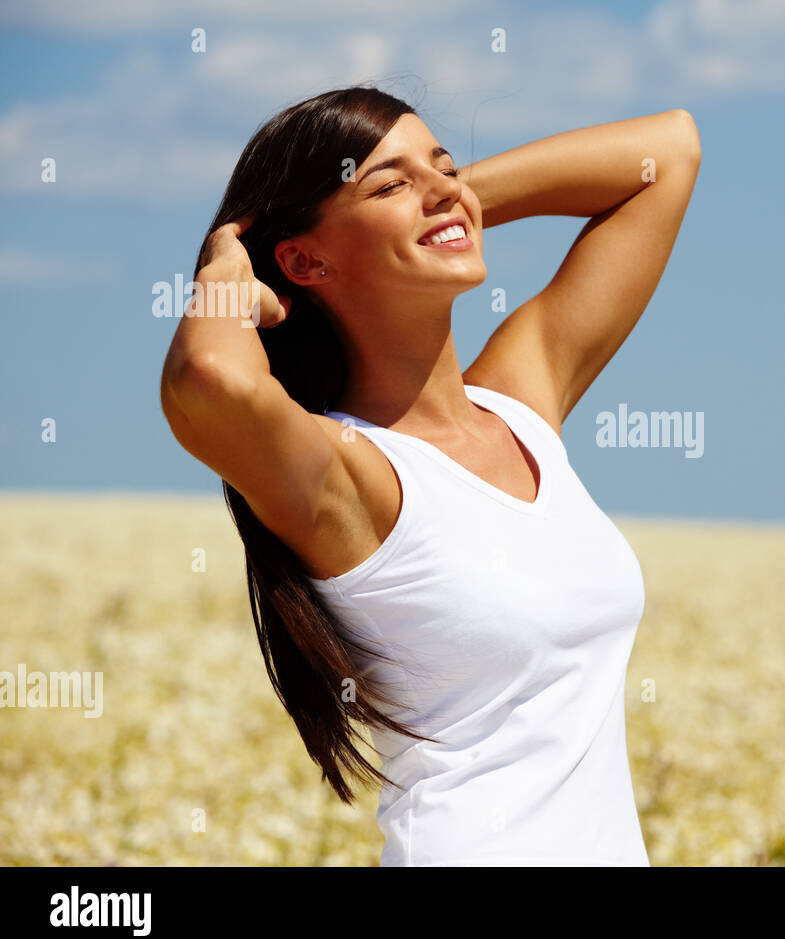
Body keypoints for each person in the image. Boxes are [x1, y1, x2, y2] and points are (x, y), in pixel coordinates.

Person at [159, 86, 700, 865]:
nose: (442, 186)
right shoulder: (350, 476)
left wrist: (446, 205)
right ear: (304, 260)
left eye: (444, 167)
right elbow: (210, 378)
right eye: (388, 183)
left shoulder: (522, 403)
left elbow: (667, 154)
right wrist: (228, 268)